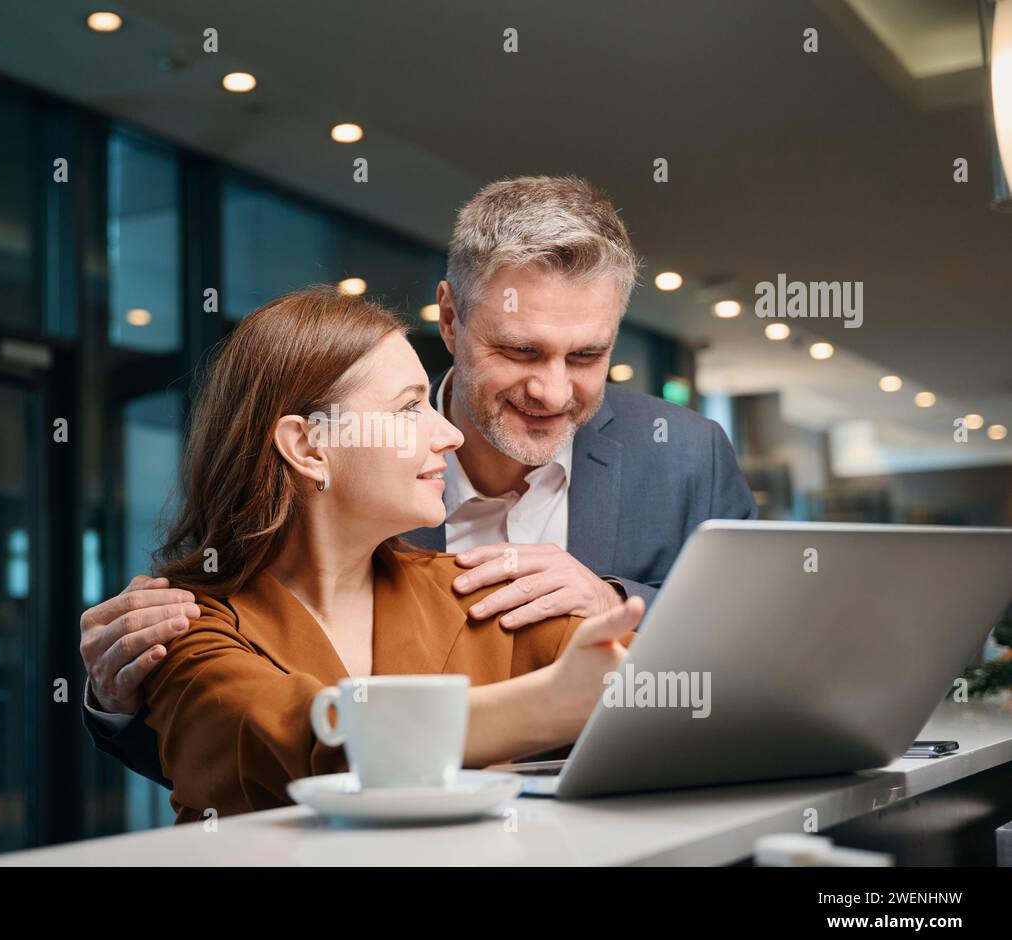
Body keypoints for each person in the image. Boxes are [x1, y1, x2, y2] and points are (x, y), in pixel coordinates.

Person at [81, 175, 755, 786]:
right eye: (519, 349)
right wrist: (124, 700)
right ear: (452, 318)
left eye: (587, 355)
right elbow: (253, 741)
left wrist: (611, 604)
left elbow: (741, 678)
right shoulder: (198, 620)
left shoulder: (463, 585)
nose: (553, 390)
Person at [113, 287, 642, 821]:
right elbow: (310, 742)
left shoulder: (479, 593)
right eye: (410, 407)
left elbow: (683, 687)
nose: (451, 434)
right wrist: (544, 706)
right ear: (307, 446)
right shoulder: (184, 628)